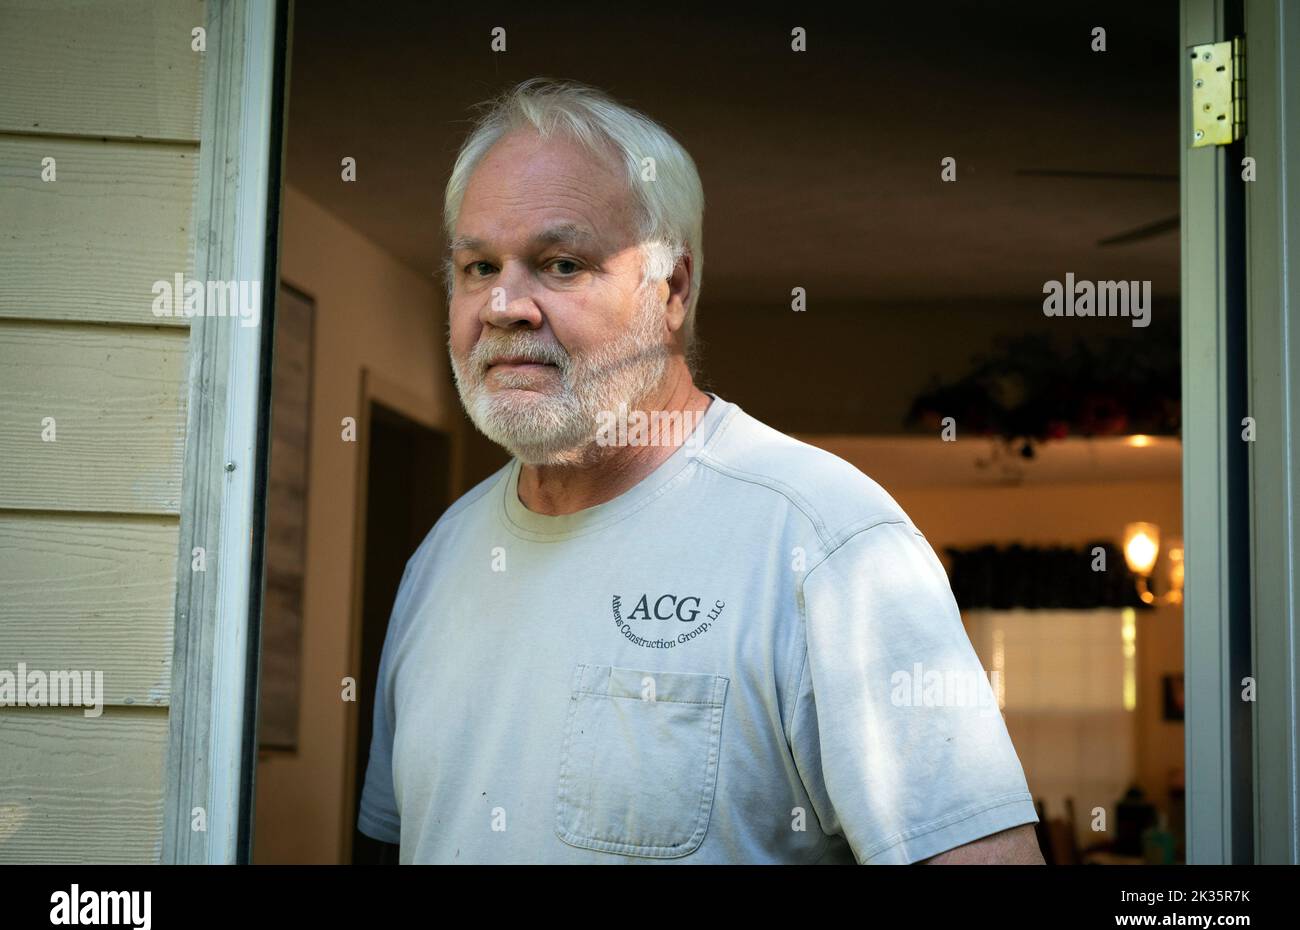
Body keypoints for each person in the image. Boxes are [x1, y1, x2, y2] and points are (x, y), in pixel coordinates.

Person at [357, 77, 1043, 864]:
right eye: (479, 266)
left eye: (561, 264)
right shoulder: (442, 556)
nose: (505, 305)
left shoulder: (828, 542)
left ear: (671, 289)